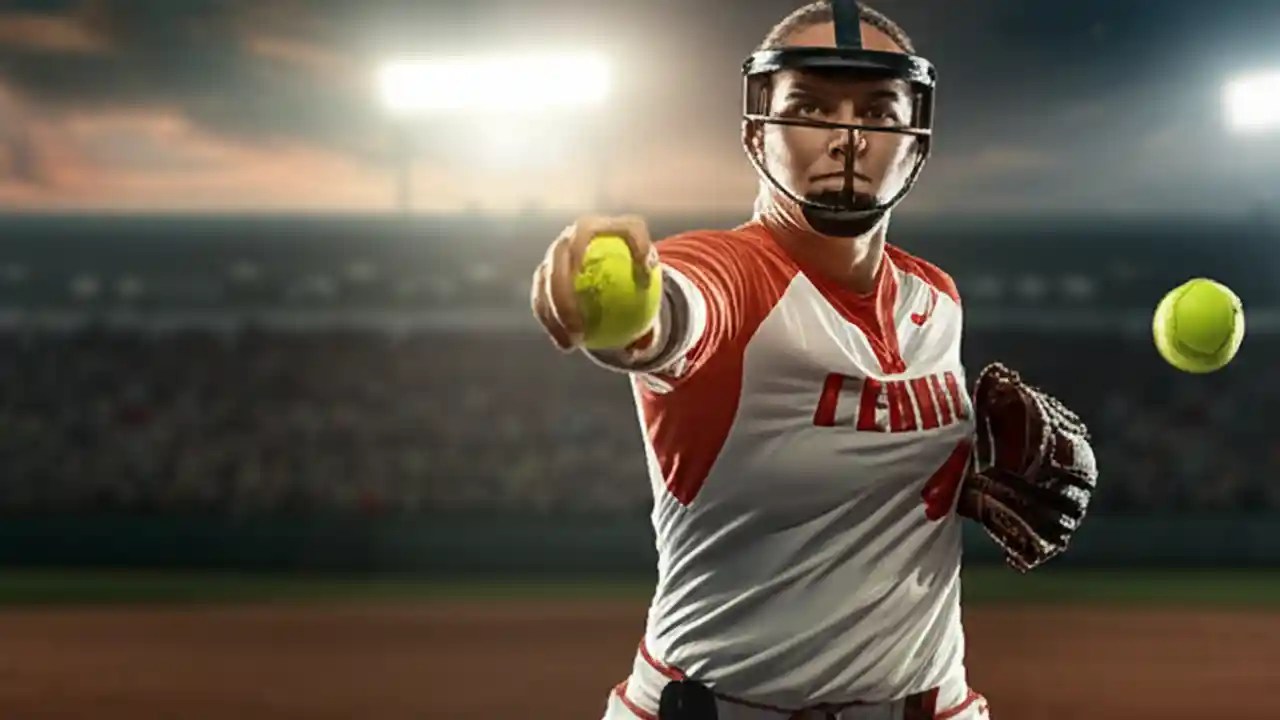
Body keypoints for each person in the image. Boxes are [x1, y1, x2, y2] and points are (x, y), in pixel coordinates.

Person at [530, 2, 1098, 718]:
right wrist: (622, 305)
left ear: (916, 140)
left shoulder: (937, 300)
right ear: (756, 134)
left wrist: (958, 483)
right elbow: (671, 318)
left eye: (880, 112)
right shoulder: (725, 275)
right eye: (811, 108)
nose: (848, 137)